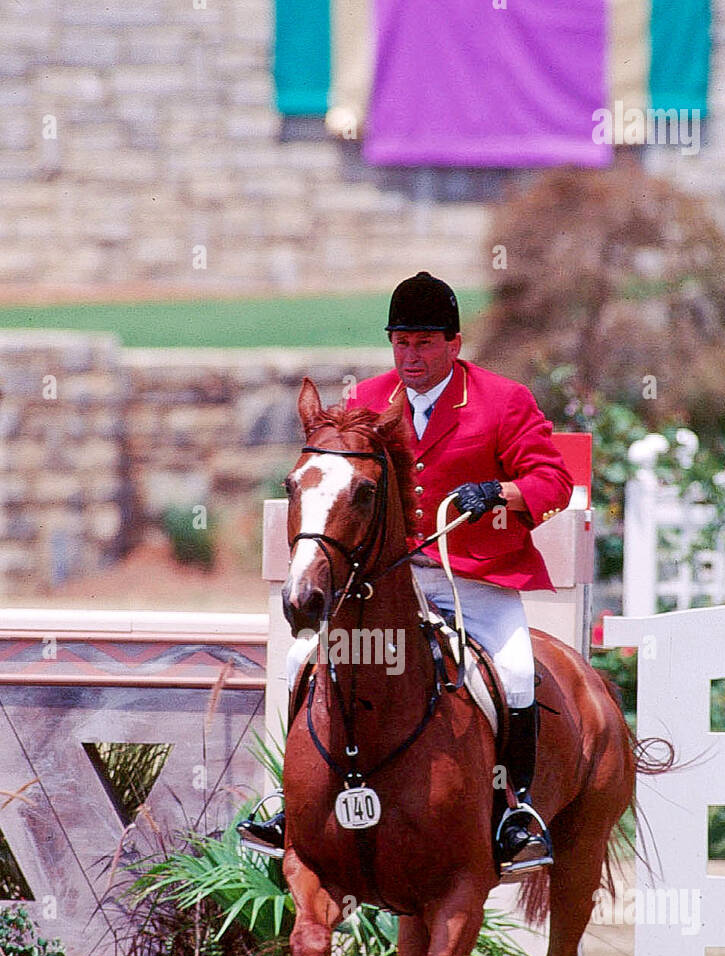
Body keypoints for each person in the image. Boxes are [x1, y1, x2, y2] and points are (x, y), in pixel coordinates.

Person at [238, 271, 573, 872]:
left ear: (455, 344)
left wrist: (499, 492)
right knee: (297, 662)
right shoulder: (365, 402)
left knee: (518, 672)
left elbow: (554, 481)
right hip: (387, 582)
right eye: (400, 343)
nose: (410, 357)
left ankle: (513, 811)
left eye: (423, 343)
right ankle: (289, 804)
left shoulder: (502, 401)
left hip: (475, 577)